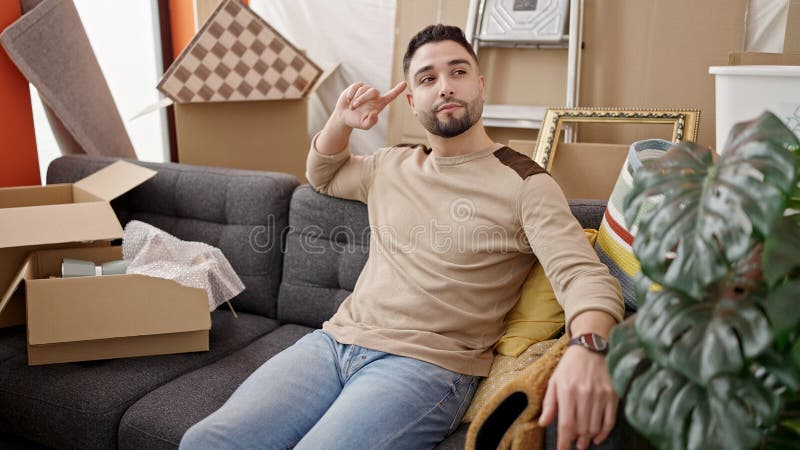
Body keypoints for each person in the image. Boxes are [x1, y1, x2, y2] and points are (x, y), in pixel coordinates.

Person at [180, 24, 624, 450]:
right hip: (333, 344)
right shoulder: (390, 165)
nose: (445, 86)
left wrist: (589, 349)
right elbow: (323, 174)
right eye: (428, 78)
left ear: (481, 85)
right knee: (204, 442)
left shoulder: (526, 183)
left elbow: (582, 275)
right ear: (412, 101)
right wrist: (341, 121)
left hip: (426, 367)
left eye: (458, 71)